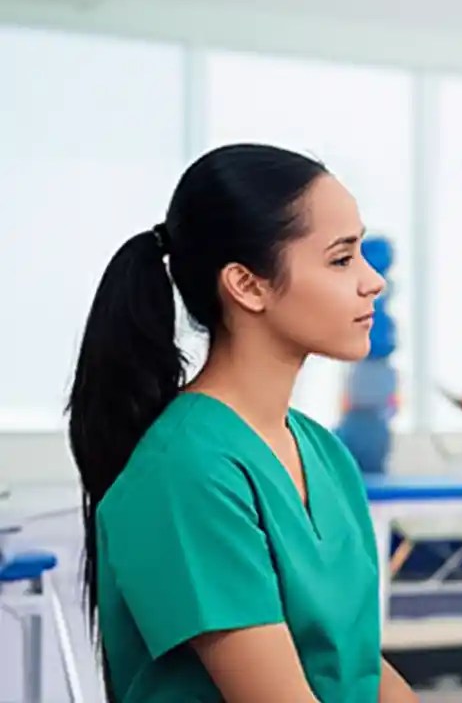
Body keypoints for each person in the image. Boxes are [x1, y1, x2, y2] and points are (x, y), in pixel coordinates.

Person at [66, 143, 419, 702]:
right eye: (341, 258)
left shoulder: (322, 452)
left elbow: (355, 667)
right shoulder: (186, 470)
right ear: (247, 285)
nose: (372, 281)